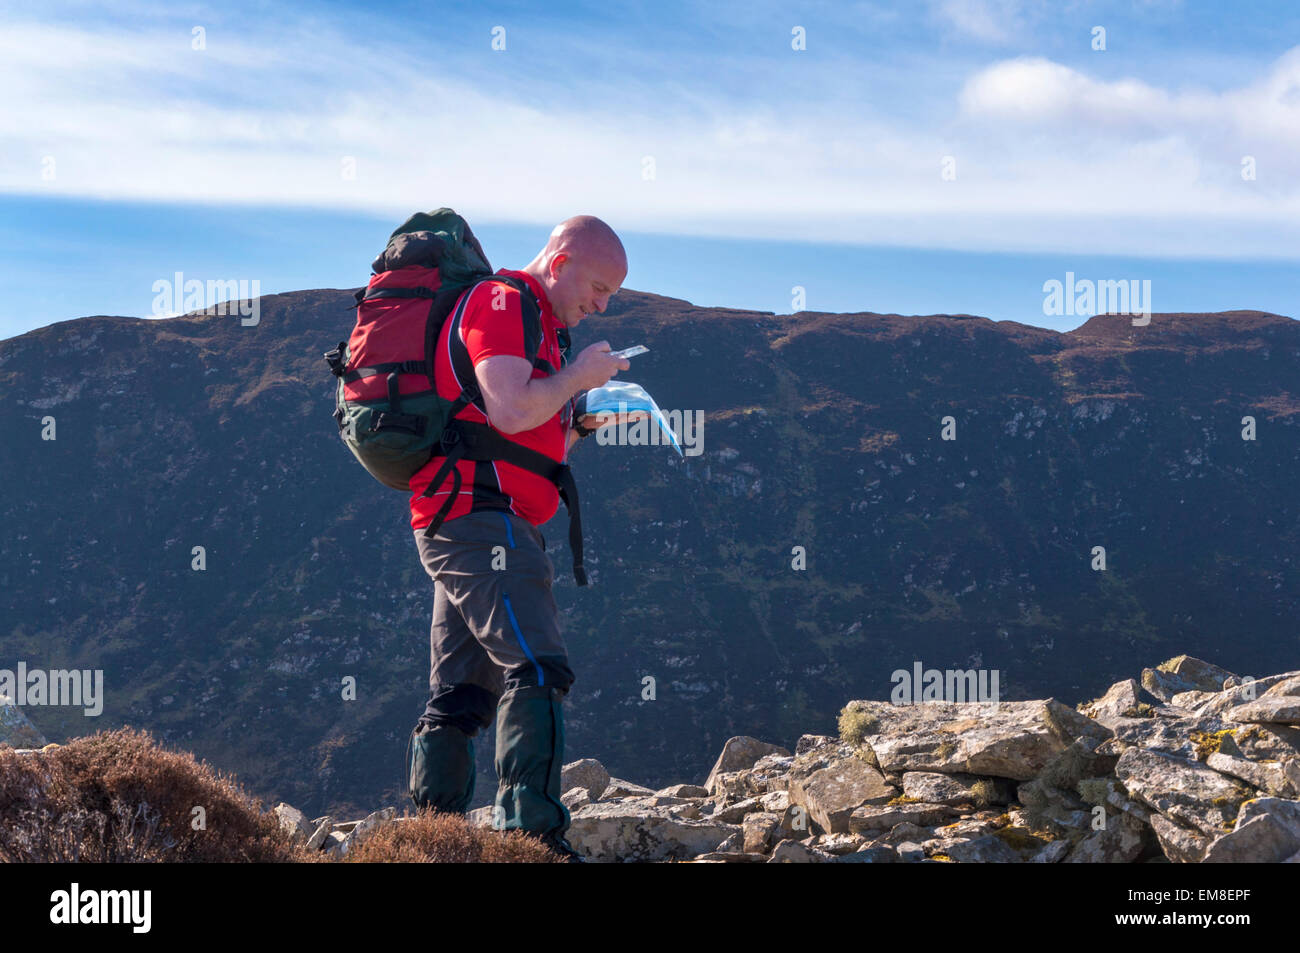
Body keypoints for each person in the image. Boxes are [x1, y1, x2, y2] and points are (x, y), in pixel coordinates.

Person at [406, 215, 632, 861]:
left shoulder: (542, 326)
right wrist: (578, 378)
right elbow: (508, 407)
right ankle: (530, 839)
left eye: (611, 293)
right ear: (559, 262)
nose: (601, 303)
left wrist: (581, 422)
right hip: (478, 515)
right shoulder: (503, 302)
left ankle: (430, 839)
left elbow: (528, 436)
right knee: (536, 665)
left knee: (462, 690)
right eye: (597, 286)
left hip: (480, 516)